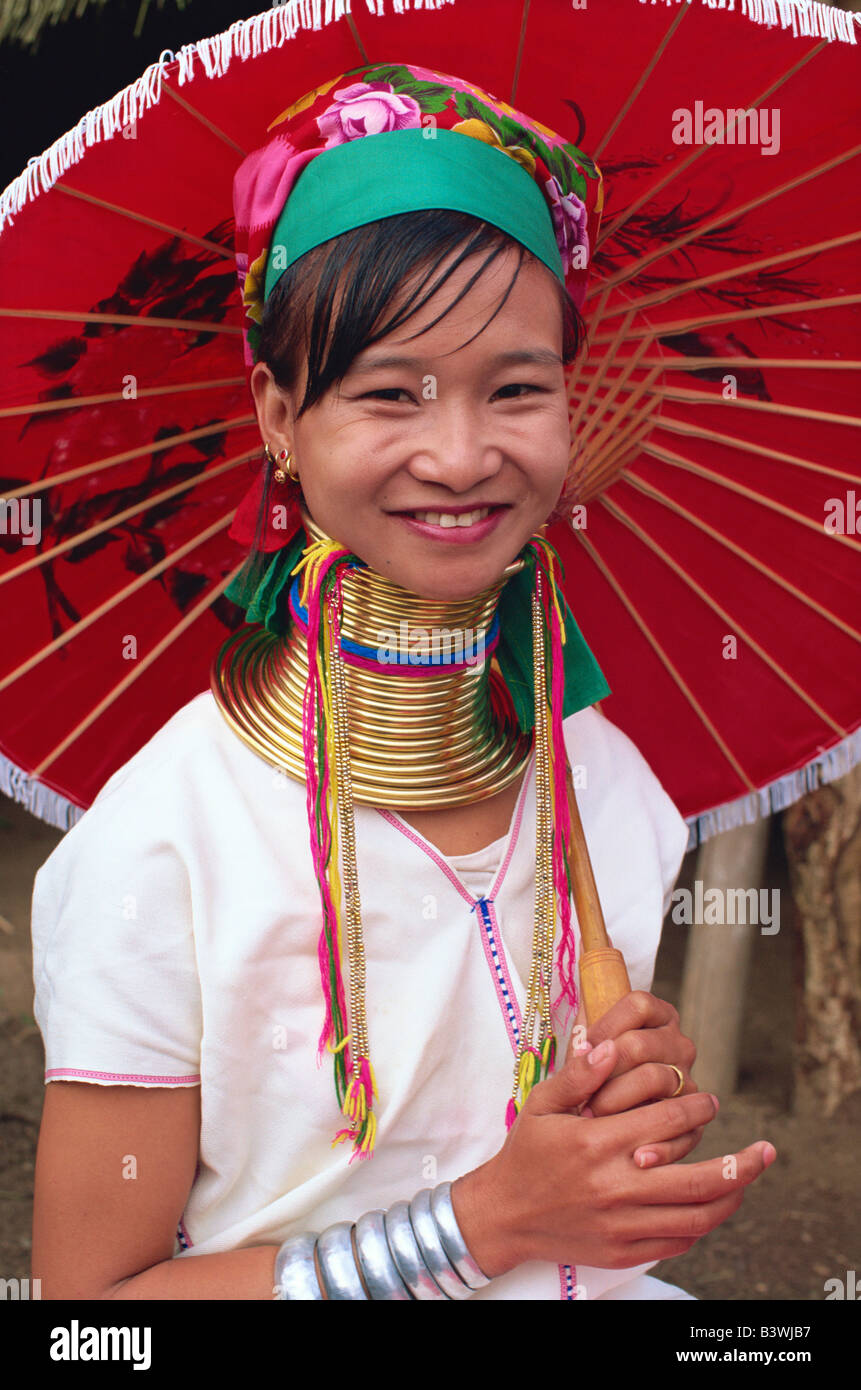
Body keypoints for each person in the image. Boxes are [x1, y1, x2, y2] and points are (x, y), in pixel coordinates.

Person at [29, 62, 776, 1301]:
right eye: (389, 392)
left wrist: (608, 1128)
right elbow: (89, 1325)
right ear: (278, 413)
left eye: (518, 389)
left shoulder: (610, 785)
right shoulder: (165, 846)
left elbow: (565, 1196)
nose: (462, 452)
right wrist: (478, 1223)